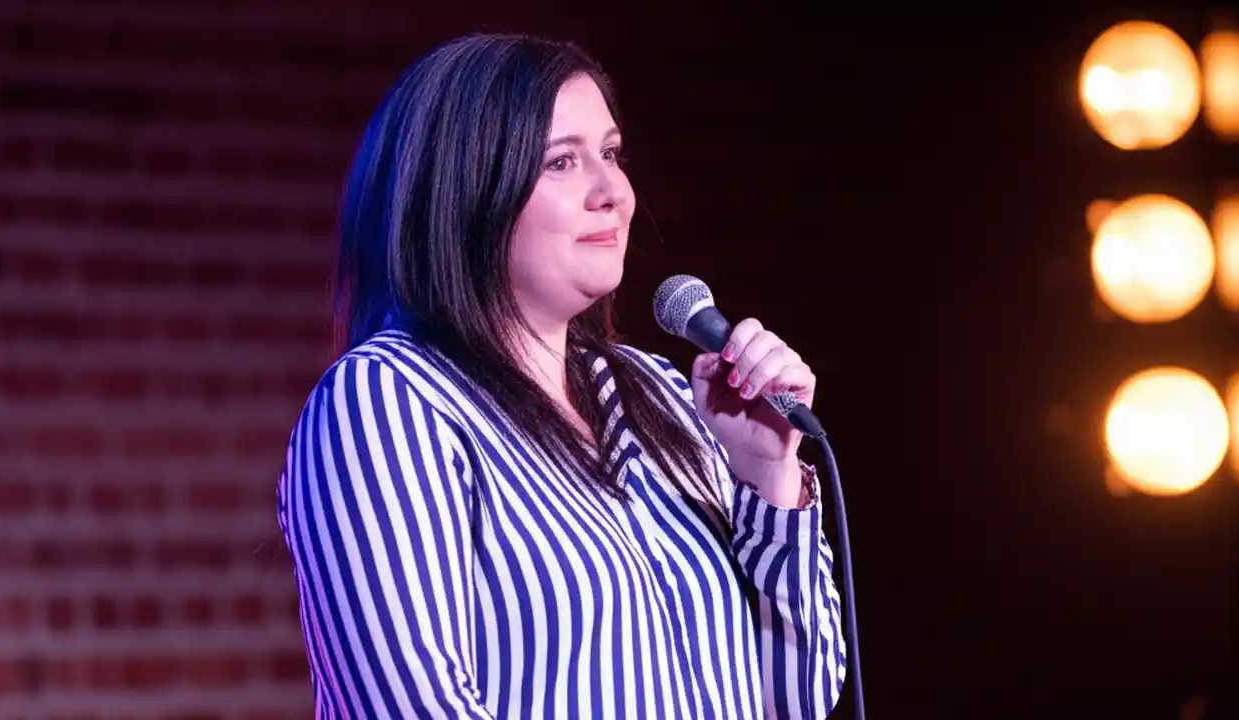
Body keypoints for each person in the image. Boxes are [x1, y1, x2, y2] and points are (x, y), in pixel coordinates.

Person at [276, 32, 847, 719]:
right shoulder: (387, 405)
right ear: (467, 192)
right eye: (562, 162)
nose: (613, 191)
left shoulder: (659, 394)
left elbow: (796, 699)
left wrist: (766, 477)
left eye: (610, 154)